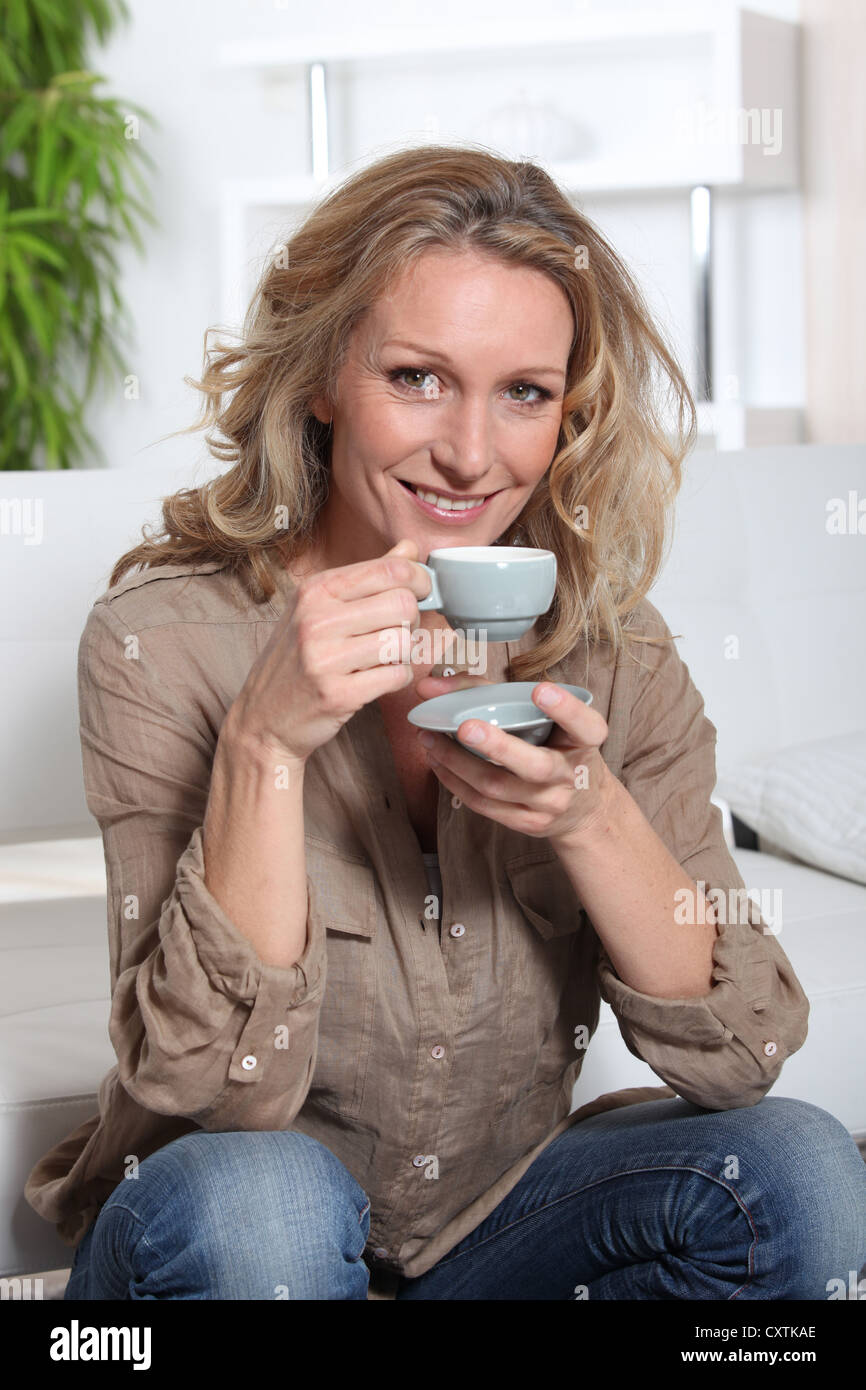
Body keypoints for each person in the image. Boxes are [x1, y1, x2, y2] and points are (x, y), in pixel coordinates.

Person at [26, 146, 865, 1301]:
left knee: (798, 1175)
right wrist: (264, 746)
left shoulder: (613, 654)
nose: (472, 454)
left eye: (522, 391)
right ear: (323, 376)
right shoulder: (161, 639)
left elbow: (739, 1052)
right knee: (269, 1208)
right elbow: (219, 1094)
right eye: (418, 377)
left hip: (494, 1234)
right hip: (227, 1230)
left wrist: (587, 812)